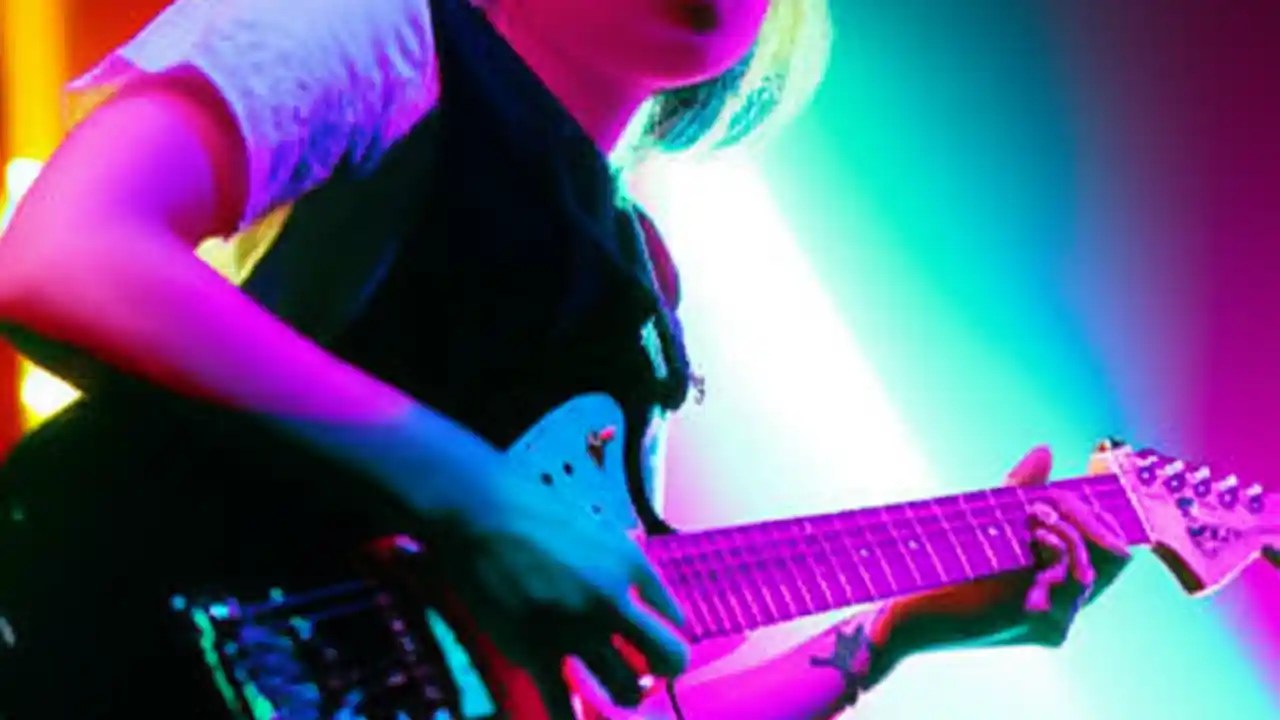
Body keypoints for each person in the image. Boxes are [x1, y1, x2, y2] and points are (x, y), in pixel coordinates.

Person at [0, 0, 1132, 717]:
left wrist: (888, 638)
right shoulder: (374, 25)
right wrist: (469, 492)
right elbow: (58, 258)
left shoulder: (640, 281)